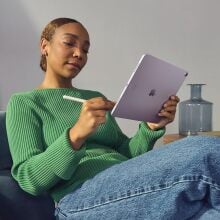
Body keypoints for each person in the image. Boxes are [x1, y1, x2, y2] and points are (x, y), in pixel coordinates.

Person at [6, 17, 220, 220]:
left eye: (86, 49)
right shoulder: (25, 103)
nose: (79, 53)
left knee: (210, 214)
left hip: (125, 181)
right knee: (207, 150)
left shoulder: (93, 98)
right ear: (45, 45)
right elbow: (29, 179)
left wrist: (150, 127)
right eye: (69, 43)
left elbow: (125, 154)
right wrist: (76, 135)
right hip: (79, 199)